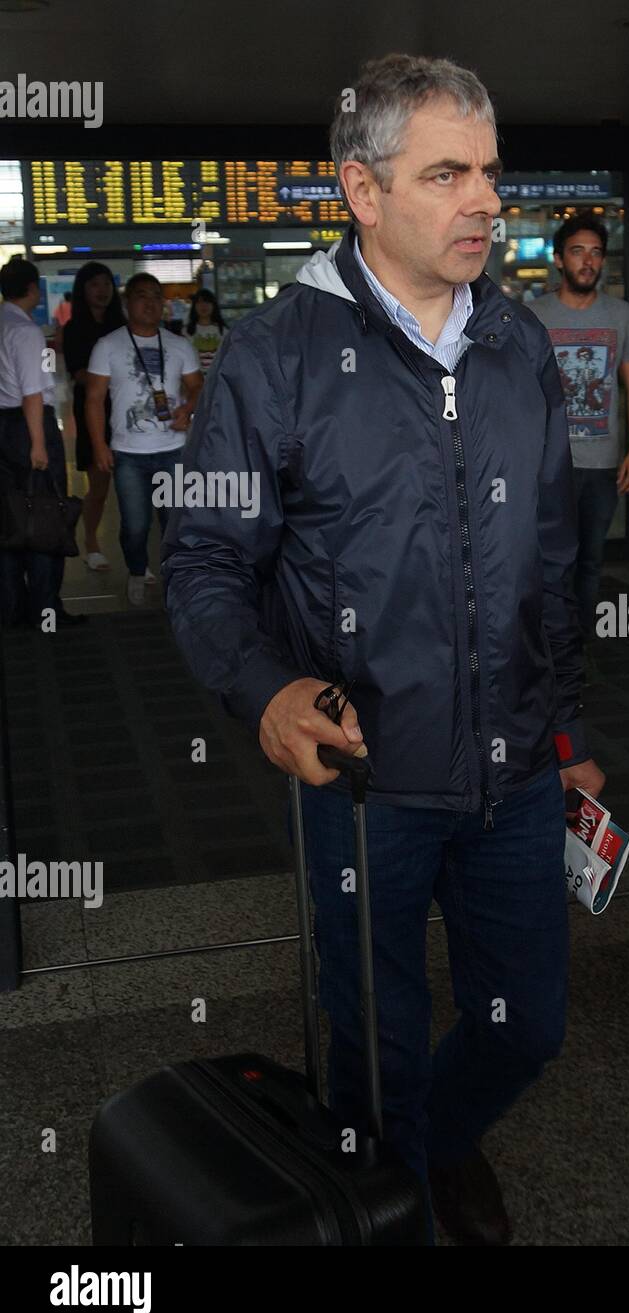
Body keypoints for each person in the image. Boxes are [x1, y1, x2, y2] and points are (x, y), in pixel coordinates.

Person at [162, 53, 603, 1247]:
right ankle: (400, 1207)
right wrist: (266, 689)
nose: (484, 201)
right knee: (374, 1047)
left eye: (491, 173)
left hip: (516, 774)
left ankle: (433, 1152)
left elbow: (555, 564)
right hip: (365, 781)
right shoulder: (276, 358)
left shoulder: (517, 346)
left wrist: (566, 732)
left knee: (526, 1027)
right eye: (446, 174)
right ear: (362, 191)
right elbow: (203, 561)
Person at [527, 212, 629, 637]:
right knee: (547, 558)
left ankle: (577, 647)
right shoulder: (534, 314)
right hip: (548, 464)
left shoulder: (620, 314)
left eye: (596, 253)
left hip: (601, 461)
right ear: (559, 260)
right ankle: (547, 643)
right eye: (578, 252)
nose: (588, 261)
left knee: (590, 559)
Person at [84, 272, 202, 607]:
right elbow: (93, 399)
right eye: (141, 295)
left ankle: (175, 581)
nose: (149, 303)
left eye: (156, 296)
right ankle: (138, 571)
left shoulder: (179, 345)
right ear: (127, 303)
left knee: (175, 524)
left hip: (173, 450)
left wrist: (189, 408)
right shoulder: (108, 345)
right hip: (128, 454)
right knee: (135, 526)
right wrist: (98, 446)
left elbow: (197, 386)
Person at [0, 257, 85, 630]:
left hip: (2, 428)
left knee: (10, 516)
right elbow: (32, 392)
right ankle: (46, 612)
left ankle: (11, 610)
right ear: (33, 289)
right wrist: (38, 445)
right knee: (46, 514)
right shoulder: (27, 331)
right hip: (28, 428)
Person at [62, 261, 125, 571]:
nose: (102, 291)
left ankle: (134, 554)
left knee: (131, 486)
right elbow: (80, 374)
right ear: (83, 290)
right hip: (92, 412)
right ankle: (91, 543)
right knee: (98, 484)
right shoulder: (74, 329)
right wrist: (111, 376)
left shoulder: (124, 327)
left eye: (106, 284)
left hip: (127, 410)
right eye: (94, 285)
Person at [185, 288, 227, 372]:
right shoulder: (185, 332)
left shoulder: (224, 331)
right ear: (194, 306)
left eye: (207, 302)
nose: (203, 305)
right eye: (199, 302)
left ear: (213, 305)